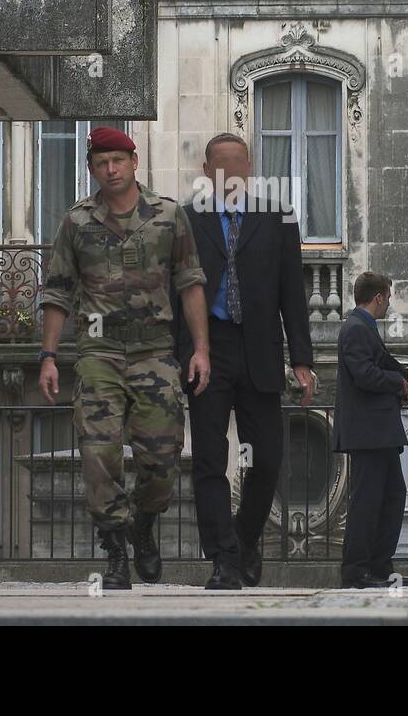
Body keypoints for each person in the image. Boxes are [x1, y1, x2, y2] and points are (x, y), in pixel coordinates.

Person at [37, 126, 211, 590]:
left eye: (117, 160)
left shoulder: (169, 216)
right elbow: (56, 290)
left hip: (155, 349)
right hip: (98, 351)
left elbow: (190, 283)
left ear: (134, 162)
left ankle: (144, 523)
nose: (110, 169)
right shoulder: (77, 222)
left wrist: (200, 350)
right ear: (92, 168)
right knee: (98, 452)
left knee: (163, 459)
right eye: (100, 163)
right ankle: (115, 550)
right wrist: (49, 355)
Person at [174, 133, 314, 590]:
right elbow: (174, 291)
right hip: (206, 349)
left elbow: (292, 292)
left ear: (250, 168)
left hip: (261, 350)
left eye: (238, 162)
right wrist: (180, 352)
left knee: (267, 458)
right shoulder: (188, 220)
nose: (231, 170)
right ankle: (222, 559)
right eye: (222, 163)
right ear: (207, 170)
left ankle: (244, 537)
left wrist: (302, 360)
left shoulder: (277, 218)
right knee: (209, 460)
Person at [334, 272, 408, 589]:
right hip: (368, 431)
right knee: (367, 501)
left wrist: (405, 380)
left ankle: (380, 567)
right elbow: (364, 375)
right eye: (389, 296)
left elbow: (377, 367)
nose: (389, 303)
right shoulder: (356, 328)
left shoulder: (364, 328)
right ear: (379, 296)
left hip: (378, 429)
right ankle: (356, 571)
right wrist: (399, 383)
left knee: (392, 496)